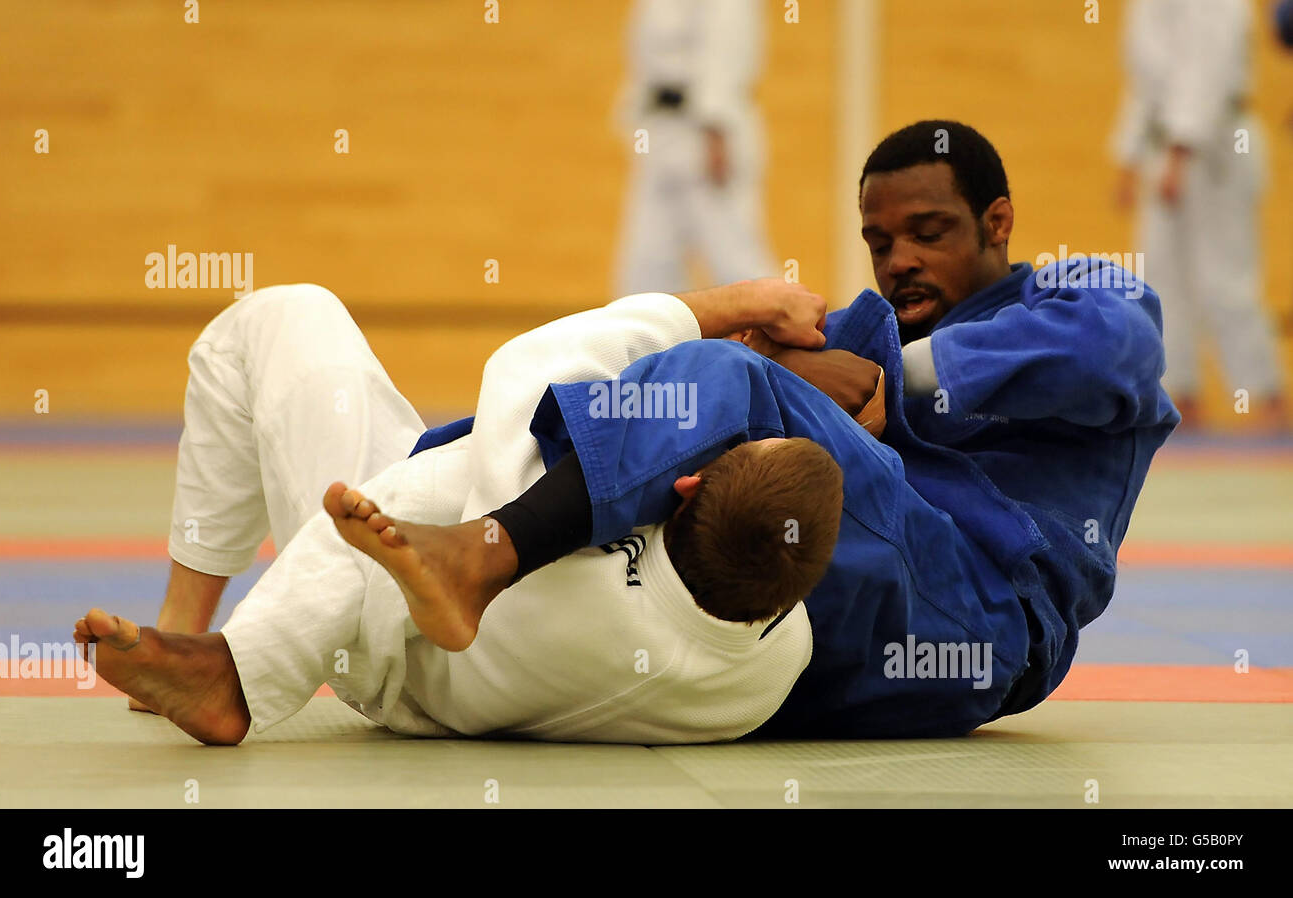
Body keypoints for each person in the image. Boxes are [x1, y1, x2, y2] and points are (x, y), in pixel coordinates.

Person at [385, 121, 1181, 738]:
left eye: (927, 232)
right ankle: (423, 492)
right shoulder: (873, 330)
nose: (898, 259)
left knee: (730, 383)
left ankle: (488, 550)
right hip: (848, 637)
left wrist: (885, 380)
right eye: (878, 242)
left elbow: (1115, 350)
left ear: (997, 221)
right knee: (675, 383)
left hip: (986, 612)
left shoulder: (1072, 294)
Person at [74, 280, 849, 745]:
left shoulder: (563, 541)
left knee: (279, 319)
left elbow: (525, 370)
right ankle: (220, 654)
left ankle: (232, 668)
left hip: (373, 643)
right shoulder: (774, 669)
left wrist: (736, 308)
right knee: (441, 486)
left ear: (683, 484)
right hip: (482, 681)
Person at [1112, 0, 1287, 431]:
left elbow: (1206, 65)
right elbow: (1148, 82)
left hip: (1216, 142)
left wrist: (1181, 148)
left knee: (1224, 279)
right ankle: (1181, 400)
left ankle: (1266, 400)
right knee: (1161, 280)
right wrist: (1129, 155)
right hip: (1165, 144)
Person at [614, 0, 775, 295]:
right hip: (660, 132)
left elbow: (728, 50)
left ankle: (774, 333)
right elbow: (643, 56)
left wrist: (716, 131)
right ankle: (651, 340)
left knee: (733, 255)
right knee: (647, 262)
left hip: (705, 135)